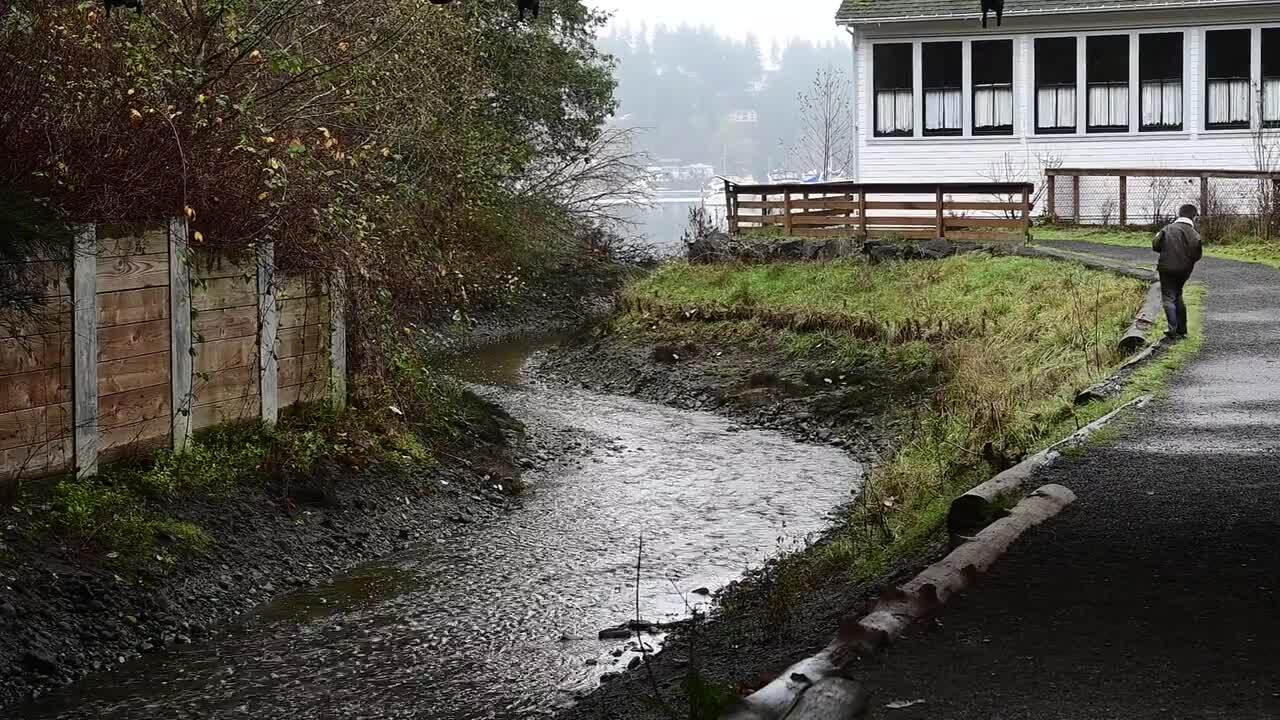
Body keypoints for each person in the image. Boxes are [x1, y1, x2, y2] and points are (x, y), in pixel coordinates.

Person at [1152, 204, 1202, 339]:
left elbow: (1155, 245)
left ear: (1179, 214)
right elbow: (1197, 255)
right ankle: (1182, 330)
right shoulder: (1195, 234)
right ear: (1194, 216)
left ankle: (1172, 328)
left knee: (1168, 296)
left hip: (1166, 268)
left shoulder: (1167, 229)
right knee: (1178, 295)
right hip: (1184, 270)